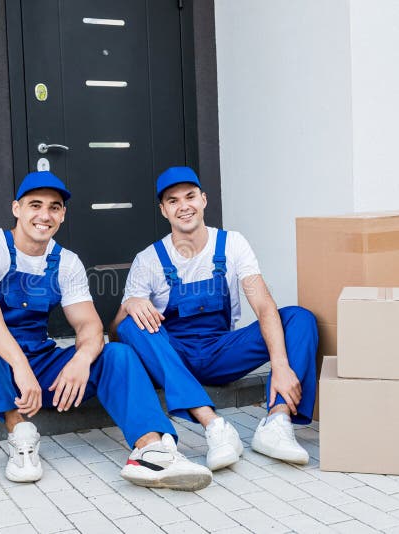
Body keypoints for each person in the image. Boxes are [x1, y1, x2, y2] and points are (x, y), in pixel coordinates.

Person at [0, 170, 211, 490]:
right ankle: (20, 432)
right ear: (17, 208)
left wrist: (82, 359)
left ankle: (151, 450)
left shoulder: (66, 262)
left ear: (63, 215)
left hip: (36, 371)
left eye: (54, 207)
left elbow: (89, 325)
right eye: (35, 205)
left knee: (117, 354)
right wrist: (18, 364)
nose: (45, 215)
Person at [110, 166, 318, 470]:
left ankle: (277, 422)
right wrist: (130, 303)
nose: (184, 206)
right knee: (131, 324)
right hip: (174, 357)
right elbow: (116, 333)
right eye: (173, 201)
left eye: (190, 196)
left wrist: (281, 365)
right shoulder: (148, 260)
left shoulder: (232, 244)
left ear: (204, 199)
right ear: (163, 210)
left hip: (222, 351)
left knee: (299, 318)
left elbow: (263, 305)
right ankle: (215, 427)